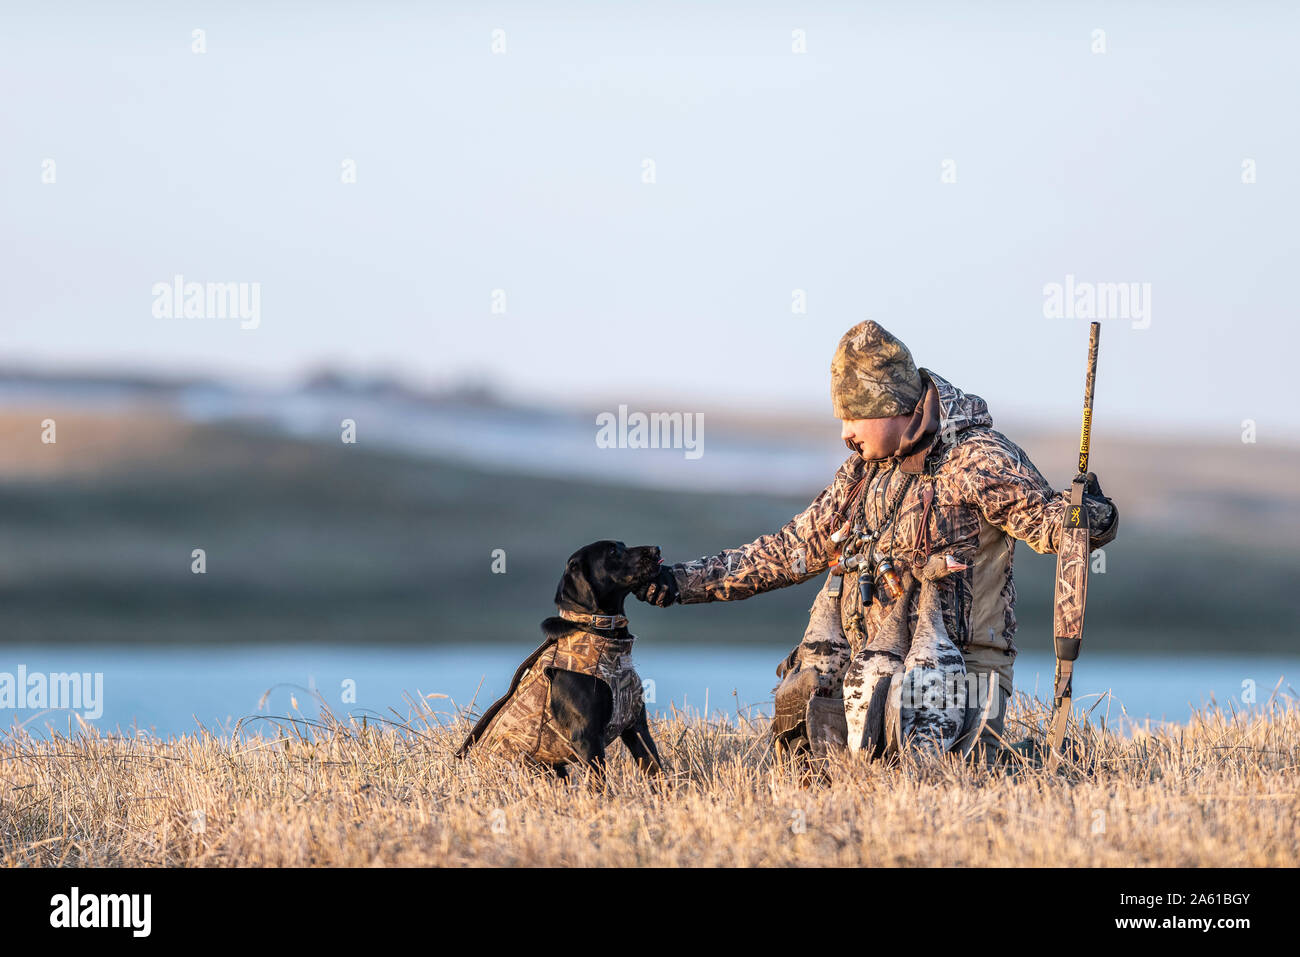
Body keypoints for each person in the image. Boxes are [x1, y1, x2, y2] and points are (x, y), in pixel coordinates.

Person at [634, 320, 1118, 762]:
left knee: (944, 790)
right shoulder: (862, 472)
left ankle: (1042, 761)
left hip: (959, 675)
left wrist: (1091, 516)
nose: (845, 433)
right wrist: (680, 581)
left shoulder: (978, 458)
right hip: (865, 675)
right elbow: (790, 549)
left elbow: (1055, 528)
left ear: (894, 407)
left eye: (855, 415)